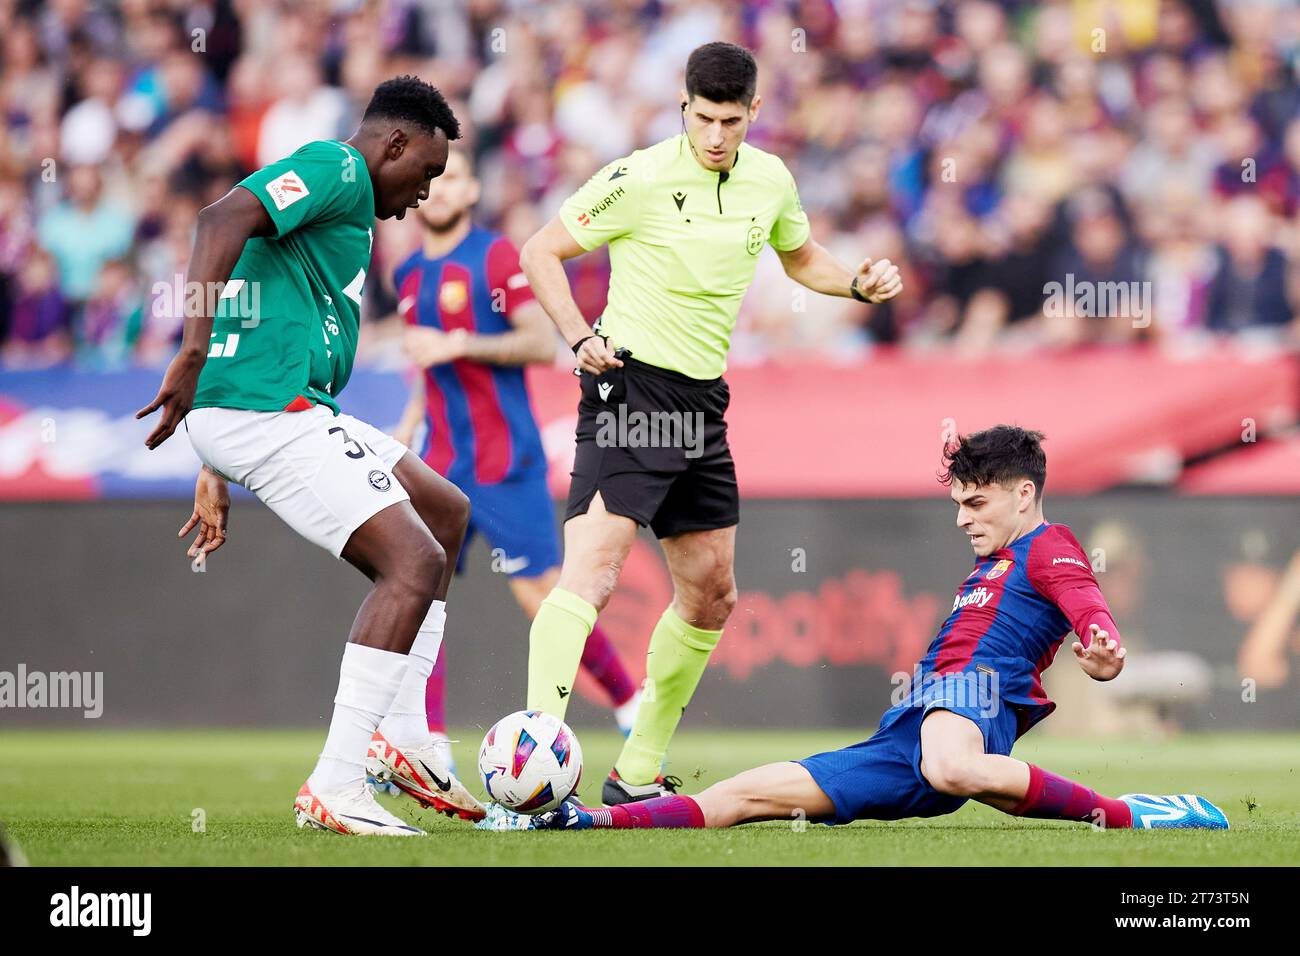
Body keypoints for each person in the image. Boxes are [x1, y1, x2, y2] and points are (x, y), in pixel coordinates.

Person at [517, 41, 902, 806]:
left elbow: (801, 259)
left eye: (731, 120)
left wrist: (855, 283)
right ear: (683, 109)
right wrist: (580, 336)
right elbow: (540, 251)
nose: (716, 136)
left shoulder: (770, 179)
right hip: (628, 391)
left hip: (700, 408)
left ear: (754, 112)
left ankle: (635, 776)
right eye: (703, 119)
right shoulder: (641, 176)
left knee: (712, 596)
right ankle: (527, 776)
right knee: (591, 575)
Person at [517, 426, 1230, 832]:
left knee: (953, 765)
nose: (962, 518)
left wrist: (1102, 645)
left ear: (1024, 495)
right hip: (912, 725)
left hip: (974, 700)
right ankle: (589, 822)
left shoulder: (1050, 543)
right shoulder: (999, 557)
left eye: (976, 502)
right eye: (957, 503)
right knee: (743, 798)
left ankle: (1135, 812)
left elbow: (1084, 601)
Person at [137, 76, 485, 836]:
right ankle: (337, 783)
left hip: (275, 406)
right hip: (263, 411)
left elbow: (261, 282)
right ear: (392, 145)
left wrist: (213, 460)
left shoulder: (352, 205)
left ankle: (408, 738)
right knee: (414, 565)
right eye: (424, 171)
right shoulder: (338, 167)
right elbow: (219, 217)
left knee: (446, 511)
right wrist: (191, 352)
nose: (424, 192)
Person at [389, 147, 641, 771]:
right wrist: (405, 431)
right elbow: (427, 369)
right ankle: (429, 750)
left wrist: (458, 342)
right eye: (434, 180)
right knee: (419, 597)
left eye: (454, 179)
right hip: (439, 463)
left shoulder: (496, 256)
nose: (441, 191)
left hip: (505, 462)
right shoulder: (409, 274)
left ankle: (629, 701)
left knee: (543, 599)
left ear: (473, 191)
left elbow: (537, 342)